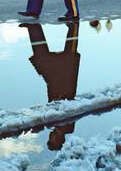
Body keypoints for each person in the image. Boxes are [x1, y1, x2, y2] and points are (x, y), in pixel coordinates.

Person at [23, 21, 82, 150]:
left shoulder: (53, 125)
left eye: (50, 138)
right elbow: (66, 107)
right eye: (52, 139)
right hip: (65, 83)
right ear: (58, 140)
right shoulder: (67, 127)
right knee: (69, 54)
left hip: (54, 83)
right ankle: (74, 25)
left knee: (41, 58)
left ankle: (33, 28)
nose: (50, 136)